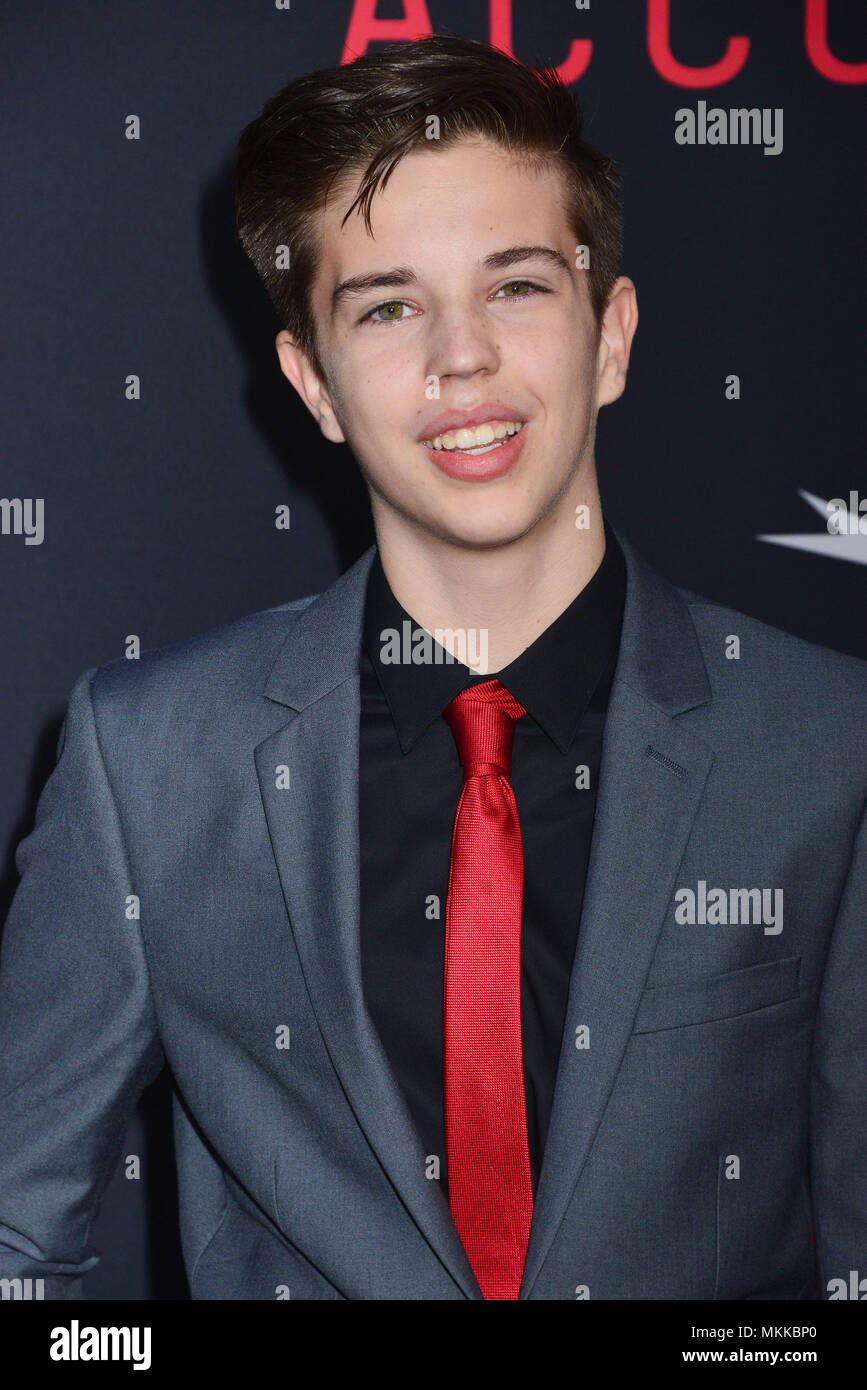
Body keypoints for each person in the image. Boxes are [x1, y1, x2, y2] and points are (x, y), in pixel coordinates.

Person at [0, 34, 864, 1302]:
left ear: (610, 337)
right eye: (391, 306)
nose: (462, 359)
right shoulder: (151, 767)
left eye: (516, 286)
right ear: (316, 383)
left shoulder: (829, 747)